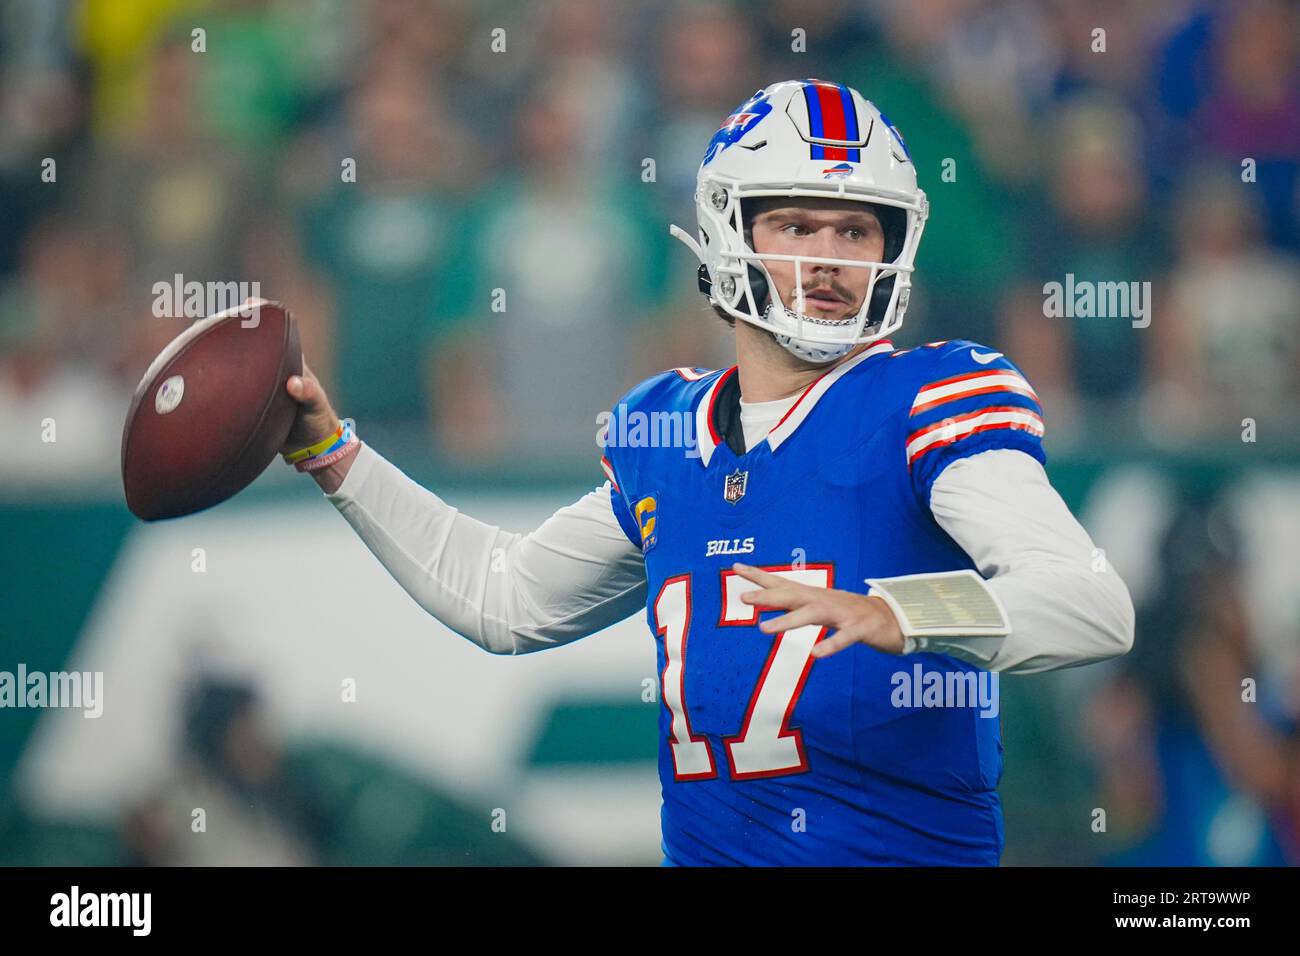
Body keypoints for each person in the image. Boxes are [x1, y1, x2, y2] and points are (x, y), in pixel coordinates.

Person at [278, 80, 1135, 866]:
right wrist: (332, 454)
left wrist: (895, 612)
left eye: (857, 228)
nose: (831, 257)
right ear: (730, 233)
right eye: (797, 226)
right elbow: (503, 598)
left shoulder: (928, 400)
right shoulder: (667, 432)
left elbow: (1090, 603)